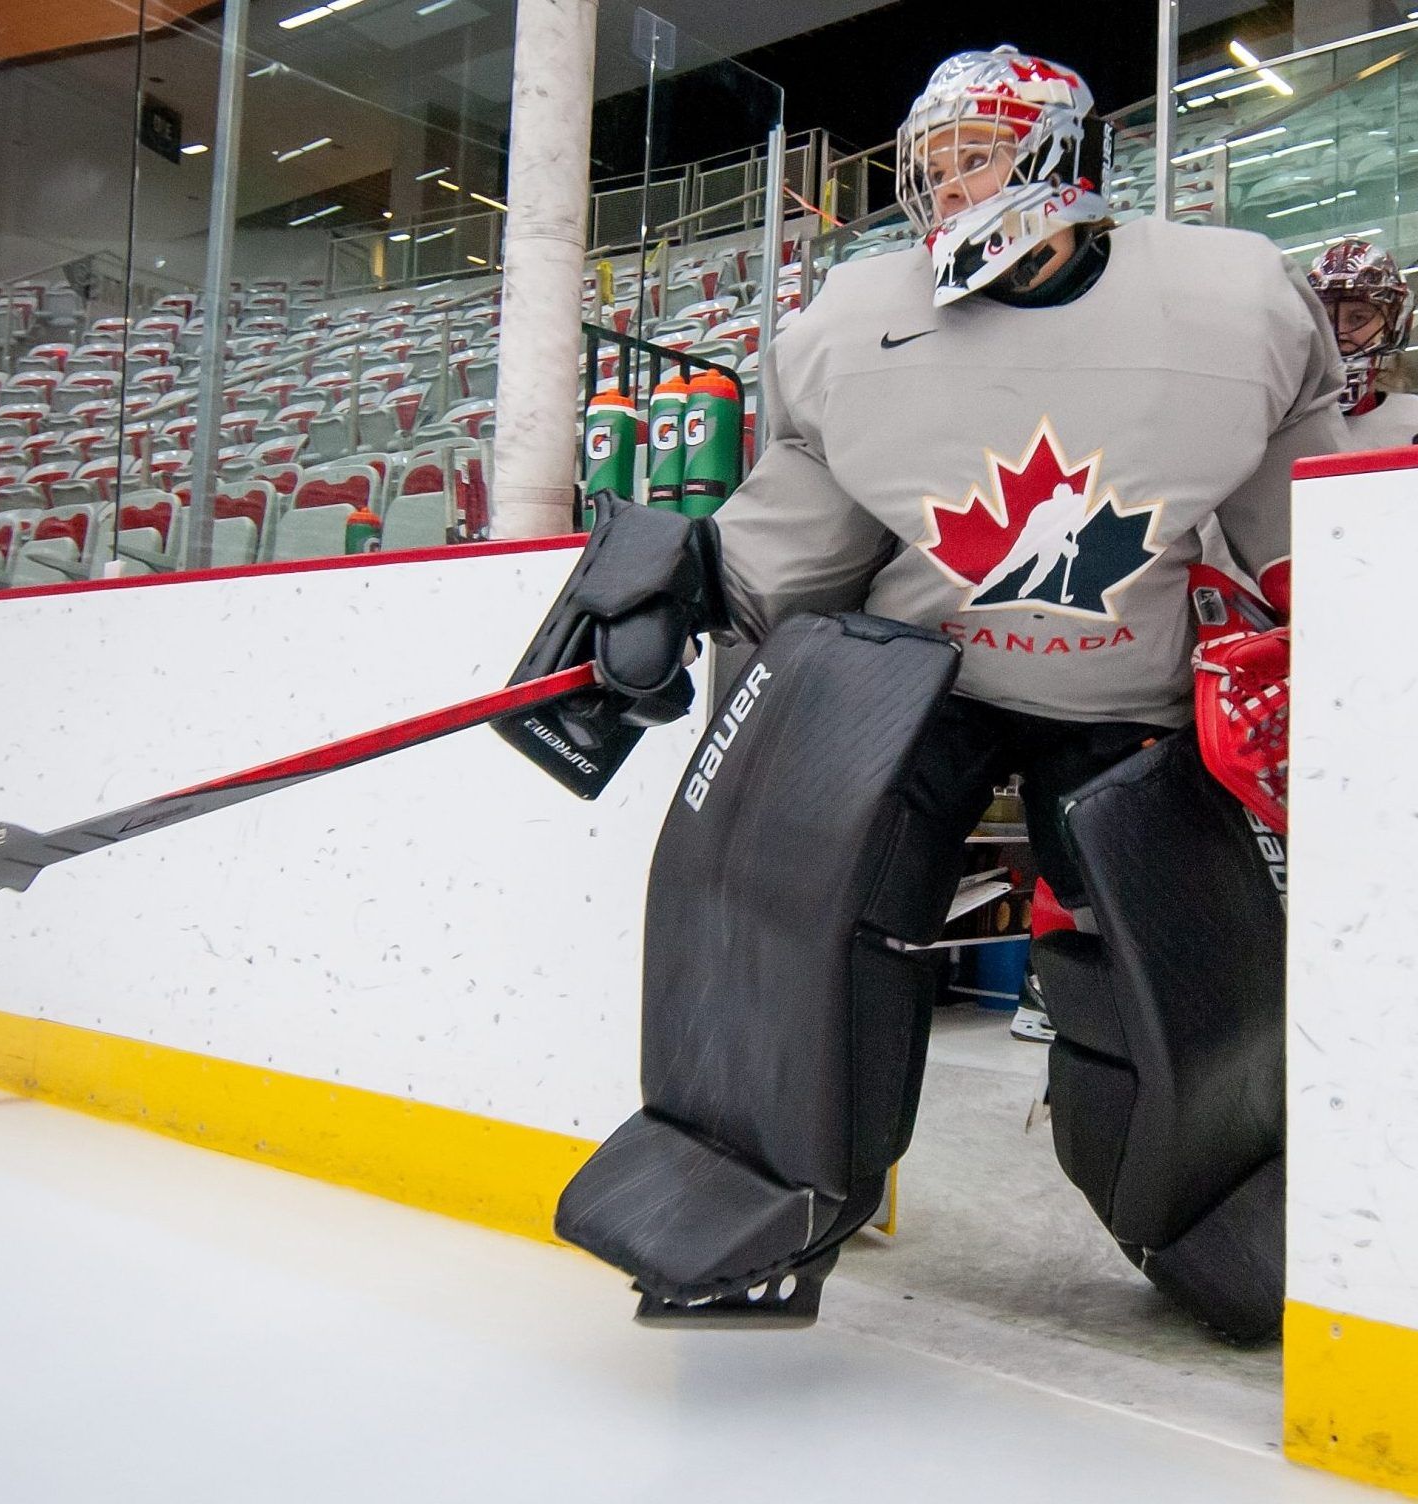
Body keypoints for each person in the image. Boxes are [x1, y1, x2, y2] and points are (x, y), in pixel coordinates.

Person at [506, 44, 1343, 1345]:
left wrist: (1318, 624)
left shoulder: (1235, 306)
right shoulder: (855, 324)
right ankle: (750, 1178)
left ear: (1063, 156)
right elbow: (809, 527)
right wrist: (687, 585)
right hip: (917, 680)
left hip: (1125, 693)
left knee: (1181, 964)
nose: (951, 187)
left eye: (978, 156)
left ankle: (1221, 1202)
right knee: (792, 888)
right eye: (934, 164)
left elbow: (1297, 516)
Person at [1306, 237, 1418, 450]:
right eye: (1326, 319)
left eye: (1358, 318)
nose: (1340, 334)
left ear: (1392, 323)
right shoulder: (1277, 428)